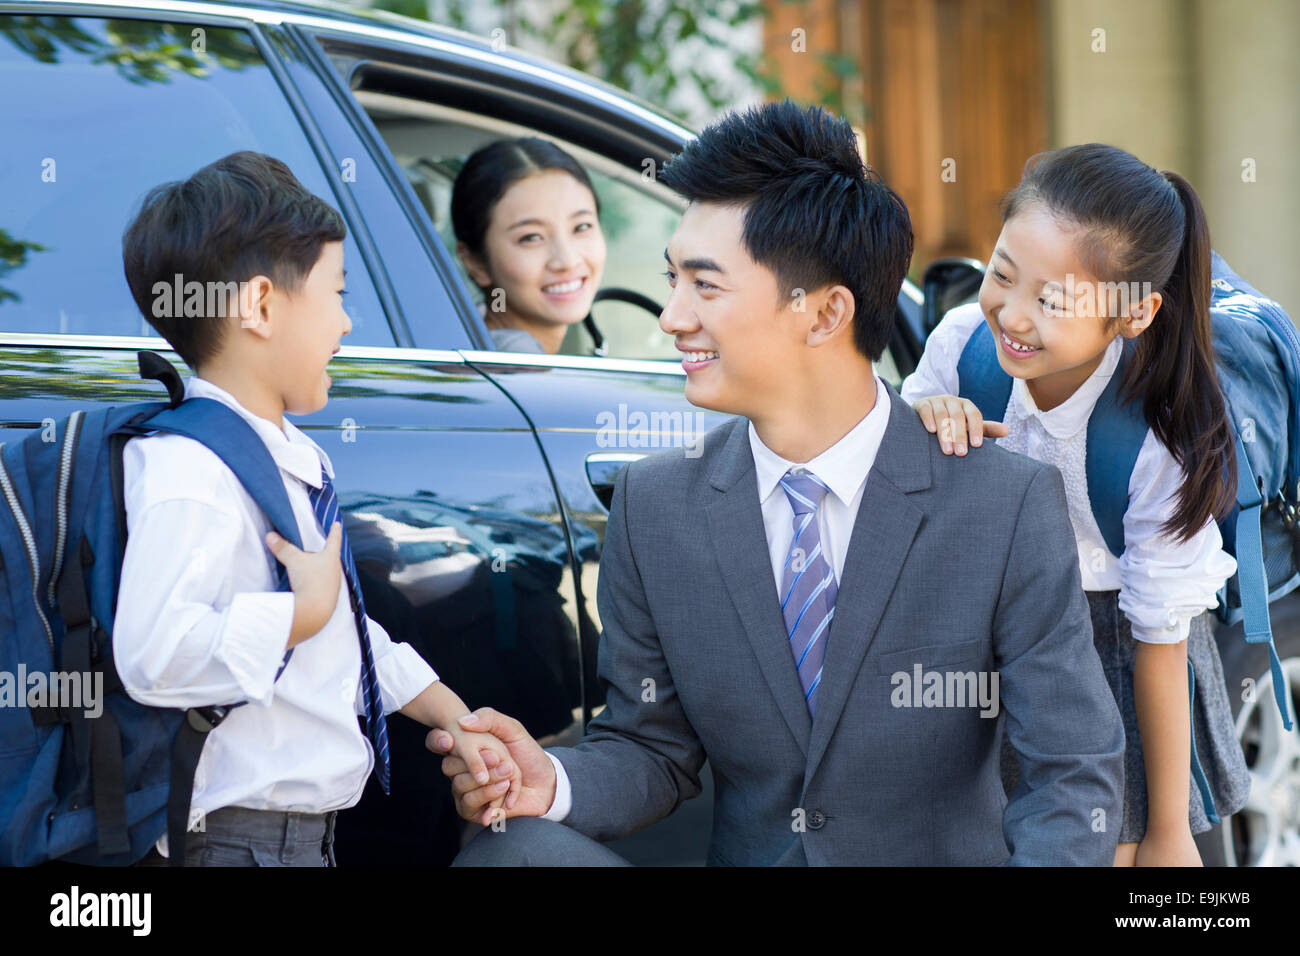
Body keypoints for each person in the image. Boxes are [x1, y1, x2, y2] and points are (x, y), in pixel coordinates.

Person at [428, 101, 1125, 866]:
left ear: (824, 313)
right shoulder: (656, 507)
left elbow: (1071, 777)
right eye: (672, 280)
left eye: (706, 286)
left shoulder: (1002, 504)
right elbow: (648, 750)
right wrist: (551, 782)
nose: (670, 316)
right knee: (513, 854)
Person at [116, 151, 517, 866]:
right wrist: (298, 611)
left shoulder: (288, 453)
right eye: (336, 293)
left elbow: (332, 624)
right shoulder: (189, 467)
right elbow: (155, 654)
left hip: (303, 840)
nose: (348, 322)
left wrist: (446, 710)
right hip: (232, 844)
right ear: (261, 307)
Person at [899, 144, 1250, 867]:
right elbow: (897, 484)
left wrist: (1167, 830)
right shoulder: (963, 344)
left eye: (1052, 300)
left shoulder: (1157, 438)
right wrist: (925, 424)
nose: (1012, 315)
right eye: (1001, 274)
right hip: (983, 641)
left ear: (1133, 314)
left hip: (1109, 652)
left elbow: (1159, 642)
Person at [451, 137, 607, 354]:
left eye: (581, 227)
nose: (567, 261)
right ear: (476, 263)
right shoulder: (512, 372)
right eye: (532, 238)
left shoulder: (474, 337)